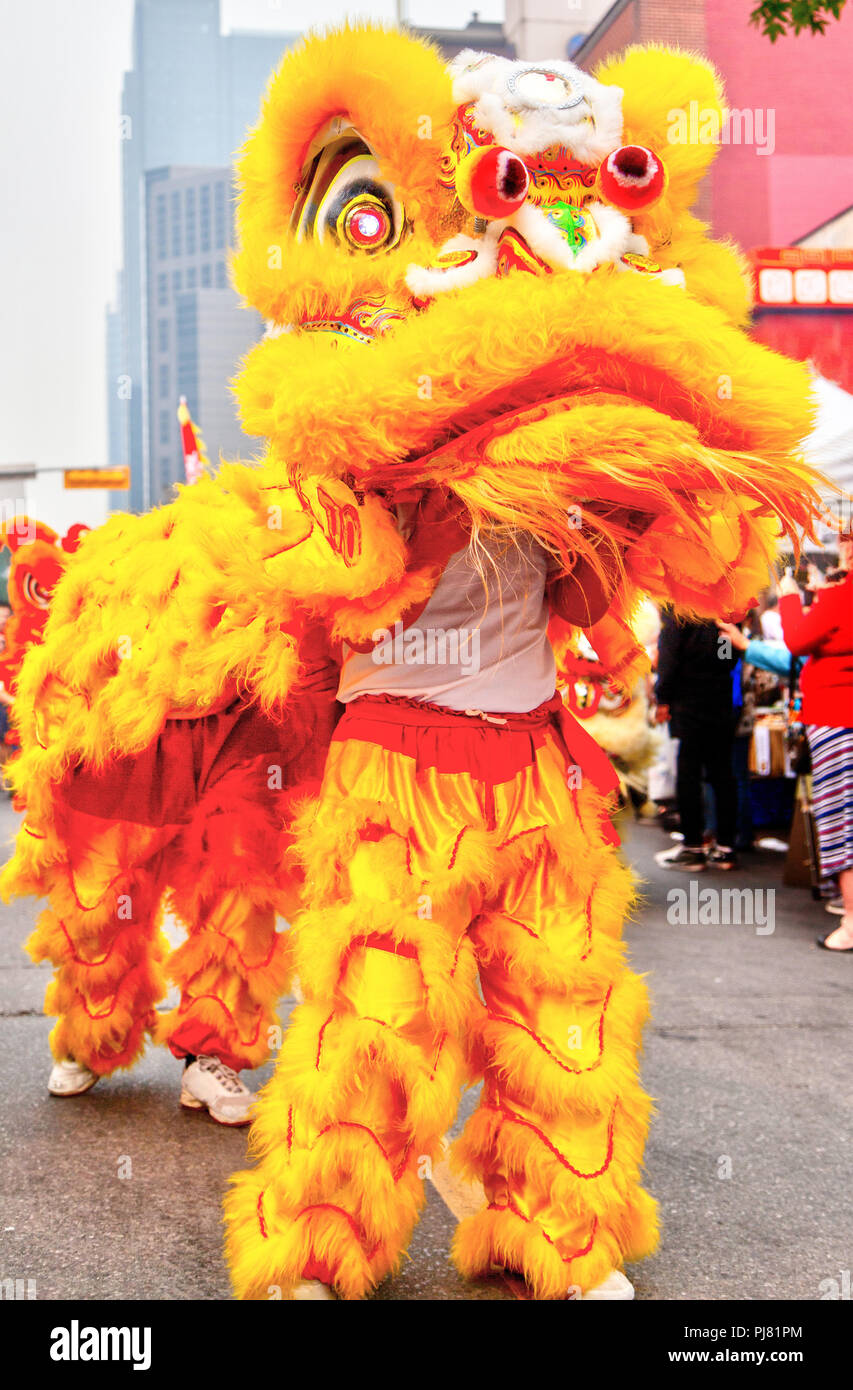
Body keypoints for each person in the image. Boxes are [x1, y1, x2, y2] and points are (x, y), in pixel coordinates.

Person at [3, 28, 824, 1302]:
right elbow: (321, 577)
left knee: (563, 1011)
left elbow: (699, 570)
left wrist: (631, 503)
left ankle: (559, 1229)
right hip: (396, 766)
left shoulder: (579, 455)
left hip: (536, 765)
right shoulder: (364, 443)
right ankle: (322, 1240)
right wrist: (430, 488)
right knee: (376, 1015)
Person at [778, 549, 853, 950]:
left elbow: (797, 640)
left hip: (838, 720)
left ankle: (851, 922)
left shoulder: (843, 596)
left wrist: (790, 597)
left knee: (842, 820)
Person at [654, 614, 739, 870]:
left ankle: (692, 845)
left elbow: (669, 657)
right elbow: (726, 657)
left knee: (688, 774)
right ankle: (725, 847)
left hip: (688, 701)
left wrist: (663, 697)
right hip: (720, 701)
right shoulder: (725, 609)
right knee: (722, 774)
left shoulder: (679, 611)